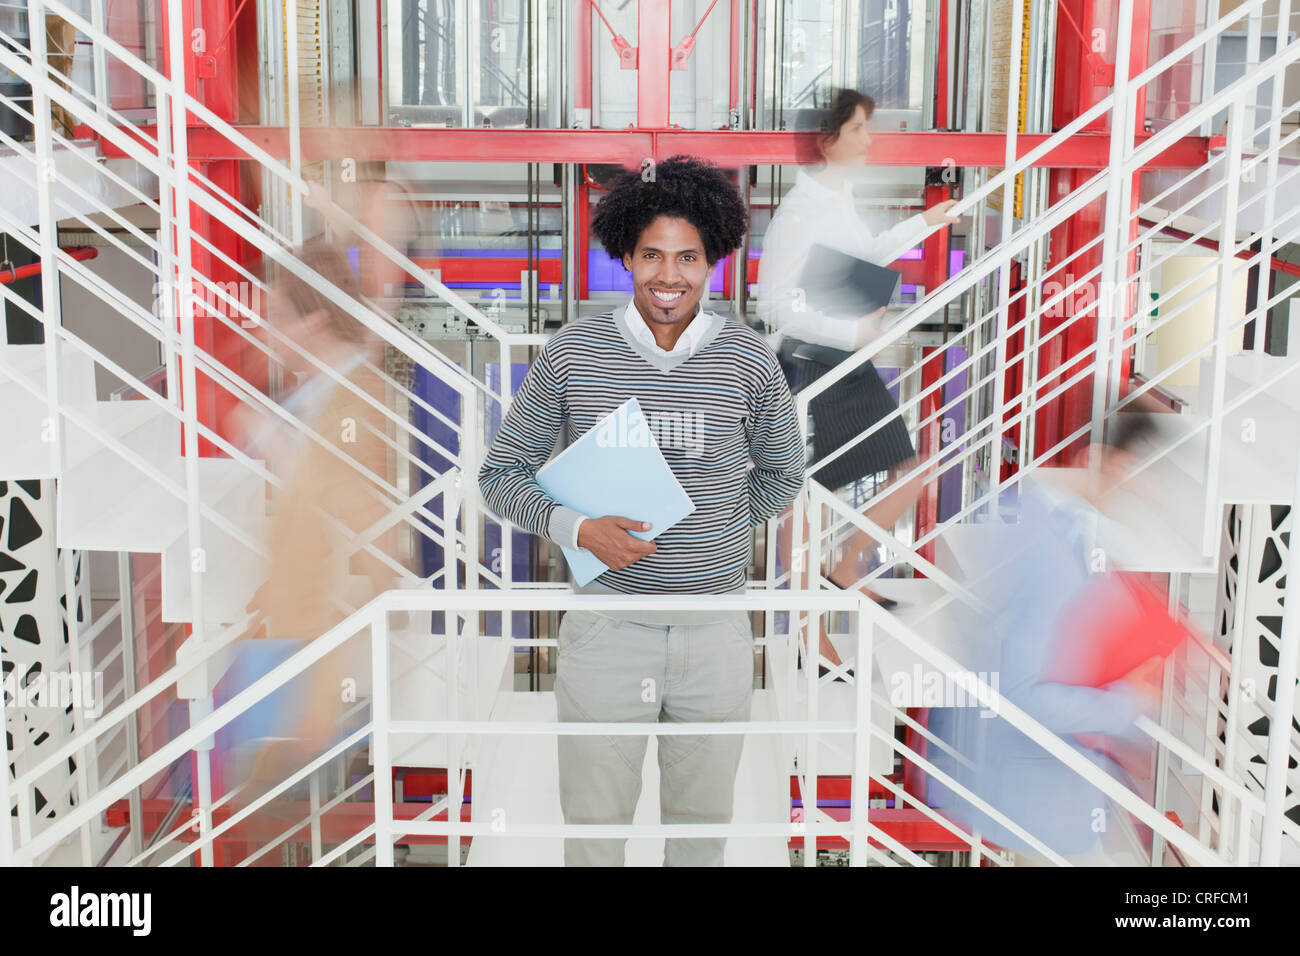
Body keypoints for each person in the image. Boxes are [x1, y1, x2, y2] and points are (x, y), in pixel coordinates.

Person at [477, 156, 805, 866]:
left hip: (716, 634)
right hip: (606, 632)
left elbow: (783, 475)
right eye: (652, 254)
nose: (669, 275)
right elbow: (500, 476)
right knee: (593, 837)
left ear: (712, 261)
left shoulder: (750, 361)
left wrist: (716, 526)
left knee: (699, 839)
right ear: (626, 255)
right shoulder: (572, 353)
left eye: (688, 257)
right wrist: (578, 528)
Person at [757, 88, 959, 660]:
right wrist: (855, 334)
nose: (869, 139)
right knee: (802, 498)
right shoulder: (799, 212)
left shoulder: (835, 197)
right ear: (828, 140)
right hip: (809, 362)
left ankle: (847, 569)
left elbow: (864, 255)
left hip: (842, 358)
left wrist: (926, 220)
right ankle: (808, 633)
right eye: (859, 129)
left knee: (908, 470)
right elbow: (775, 305)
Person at [923, 413, 1167, 860]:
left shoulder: (1047, 524)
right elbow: (1023, 697)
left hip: (1038, 794)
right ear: (1101, 460)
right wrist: (1126, 702)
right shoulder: (1046, 552)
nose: (1142, 495)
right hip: (1034, 800)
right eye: (1136, 477)